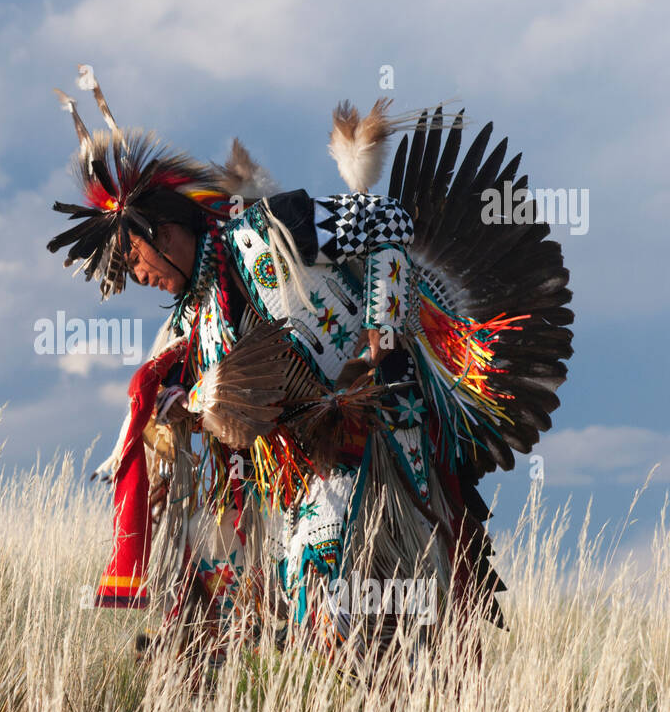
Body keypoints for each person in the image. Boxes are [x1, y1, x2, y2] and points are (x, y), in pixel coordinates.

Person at [47, 67, 573, 676]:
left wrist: (385, 340)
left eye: (133, 258)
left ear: (164, 233)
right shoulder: (202, 311)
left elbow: (391, 228)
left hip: (375, 427)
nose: (138, 276)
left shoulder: (270, 233)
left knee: (330, 587)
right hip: (305, 463)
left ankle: (417, 702)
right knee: (304, 593)